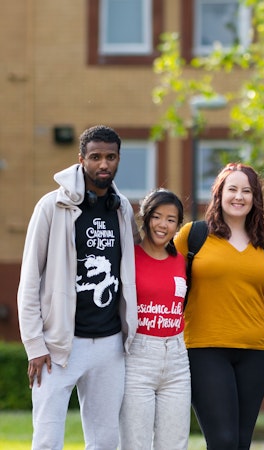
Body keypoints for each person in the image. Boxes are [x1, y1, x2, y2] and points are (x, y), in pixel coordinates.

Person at [17, 125, 138, 449]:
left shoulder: (122, 208)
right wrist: (35, 345)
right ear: (81, 158)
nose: (103, 164)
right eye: (96, 157)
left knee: (105, 441)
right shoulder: (51, 207)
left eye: (110, 157)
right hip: (59, 346)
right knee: (46, 440)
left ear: (118, 159)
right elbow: (29, 280)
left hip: (110, 345)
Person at [173, 163, 264, 449]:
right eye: (232, 189)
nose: (239, 196)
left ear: (255, 198)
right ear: (219, 194)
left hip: (256, 352)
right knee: (223, 441)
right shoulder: (193, 236)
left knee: (242, 442)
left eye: (247, 191)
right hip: (205, 349)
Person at [119, 188, 191, 449]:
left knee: (175, 442)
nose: (163, 225)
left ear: (177, 226)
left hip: (177, 358)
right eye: (157, 217)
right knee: (135, 442)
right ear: (146, 218)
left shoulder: (182, 261)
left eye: (171, 219)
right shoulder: (128, 258)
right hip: (138, 357)